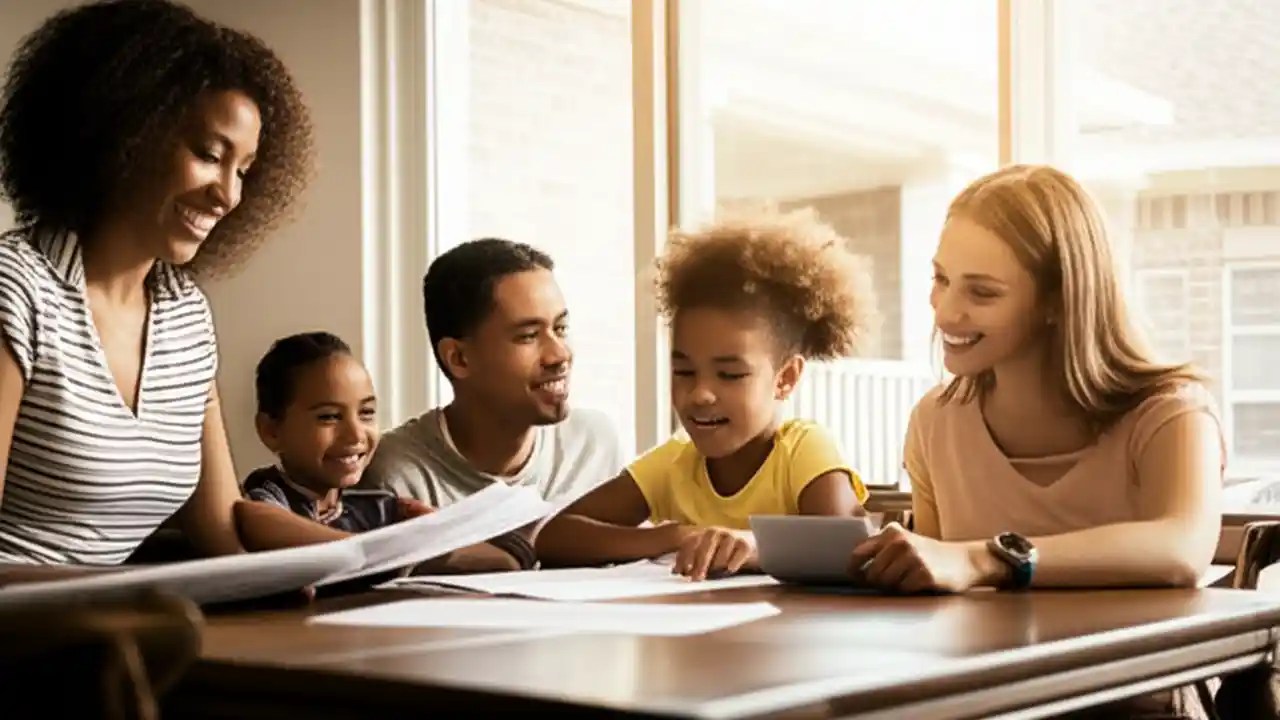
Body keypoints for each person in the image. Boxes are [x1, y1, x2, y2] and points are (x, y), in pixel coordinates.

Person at [0, 0, 324, 564]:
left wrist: (396, 554)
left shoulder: (186, 314)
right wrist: (130, 607)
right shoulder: (17, 287)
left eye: (243, 170)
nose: (227, 195)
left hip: (118, 633)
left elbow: (221, 526)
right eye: (208, 155)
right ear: (124, 132)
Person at [849, 164, 1224, 596]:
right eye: (942, 279)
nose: (946, 312)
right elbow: (936, 585)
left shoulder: (1172, 416)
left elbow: (1181, 550)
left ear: (1057, 301)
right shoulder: (936, 421)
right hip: (991, 663)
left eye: (983, 292)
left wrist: (986, 558)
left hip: (1134, 666)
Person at [537, 205, 878, 580]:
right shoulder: (675, 463)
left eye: (730, 375)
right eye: (683, 371)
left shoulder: (803, 451)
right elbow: (555, 538)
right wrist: (673, 536)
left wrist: (753, 547)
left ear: (786, 378)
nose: (699, 394)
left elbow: (848, 546)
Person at [358, 238, 625, 563]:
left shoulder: (596, 444)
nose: (560, 354)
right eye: (528, 335)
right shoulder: (397, 475)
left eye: (561, 328)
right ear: (459, 358)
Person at [235, 332, 536, 570]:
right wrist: (384, 551)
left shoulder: (381, 510)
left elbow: (508, 556)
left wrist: (434, 535)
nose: (355, 435)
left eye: (366, 414)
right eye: (328, 416)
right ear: (271, 431)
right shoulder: (269, 493)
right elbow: (258, 521)